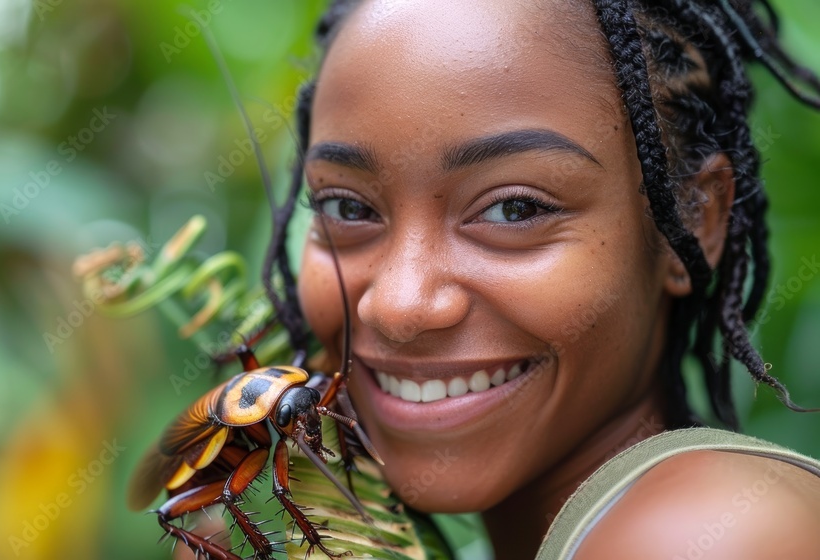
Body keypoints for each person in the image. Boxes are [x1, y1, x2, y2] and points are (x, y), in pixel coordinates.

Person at [255, 0, 820, 558]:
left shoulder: (703, 537)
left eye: (514, 210)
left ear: (693, 220)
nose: (400, 306)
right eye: (348, 209)